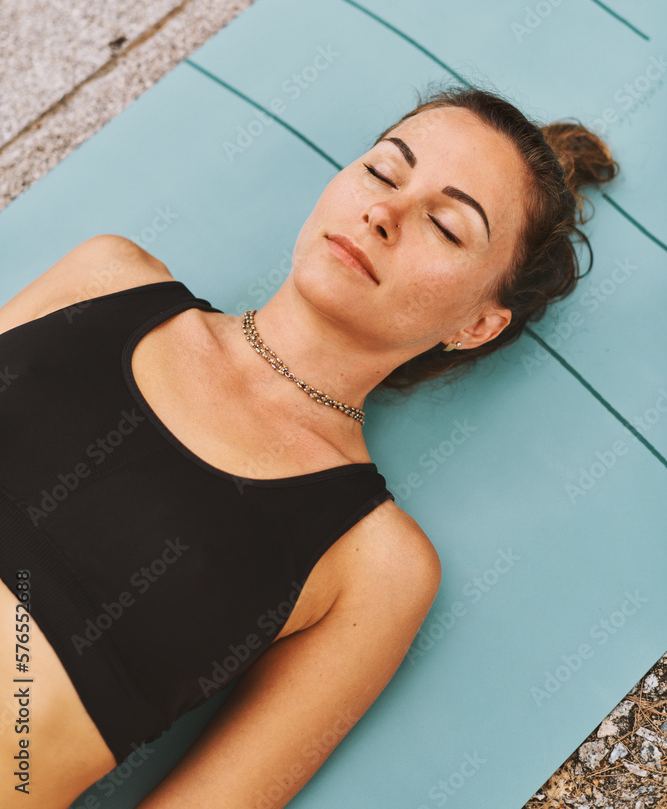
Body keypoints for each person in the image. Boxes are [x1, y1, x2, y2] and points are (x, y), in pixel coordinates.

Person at [0, 84, 618, 809]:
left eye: (445, 227)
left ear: (477, 325)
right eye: (382, 171)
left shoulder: (373, 563)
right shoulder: (104, 278)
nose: (381, 213)